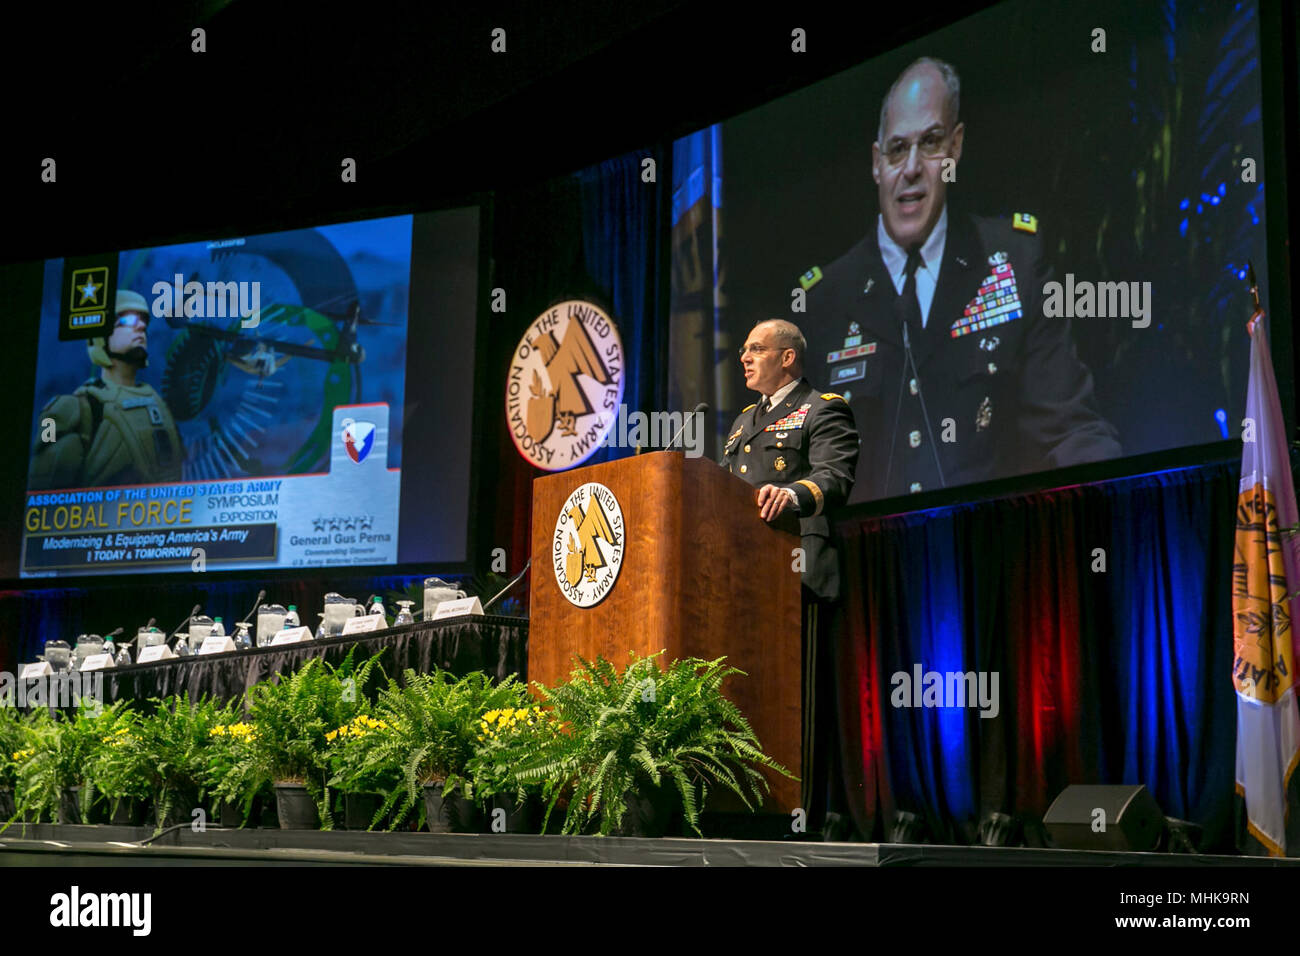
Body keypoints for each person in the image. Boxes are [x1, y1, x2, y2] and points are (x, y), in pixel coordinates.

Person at [800, 56, 1121, 503]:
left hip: (994, 556)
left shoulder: (1012, 263)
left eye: (930, 143)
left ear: (955, 147)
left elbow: (1071, 432)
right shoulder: (826, 300)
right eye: (896, 149)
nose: (911, 168)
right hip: (870, 566)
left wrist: (1118, 503)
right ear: (877, 163)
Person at [721, 318, 860, 603]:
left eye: (757, 349)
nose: (745, 358)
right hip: (740, 563)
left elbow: (834, 477)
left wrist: (789, 495)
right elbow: (723, 483)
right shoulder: (744, 419)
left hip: (796, 556)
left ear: (787, 357)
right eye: (744, 350)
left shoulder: (822, 408)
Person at [29, 289, 184, 489]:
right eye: (127, 321)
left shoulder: (156, 402)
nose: (141, 327)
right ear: (100, 338)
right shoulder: (73, 409)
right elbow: (45, 498)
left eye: (143, 322)